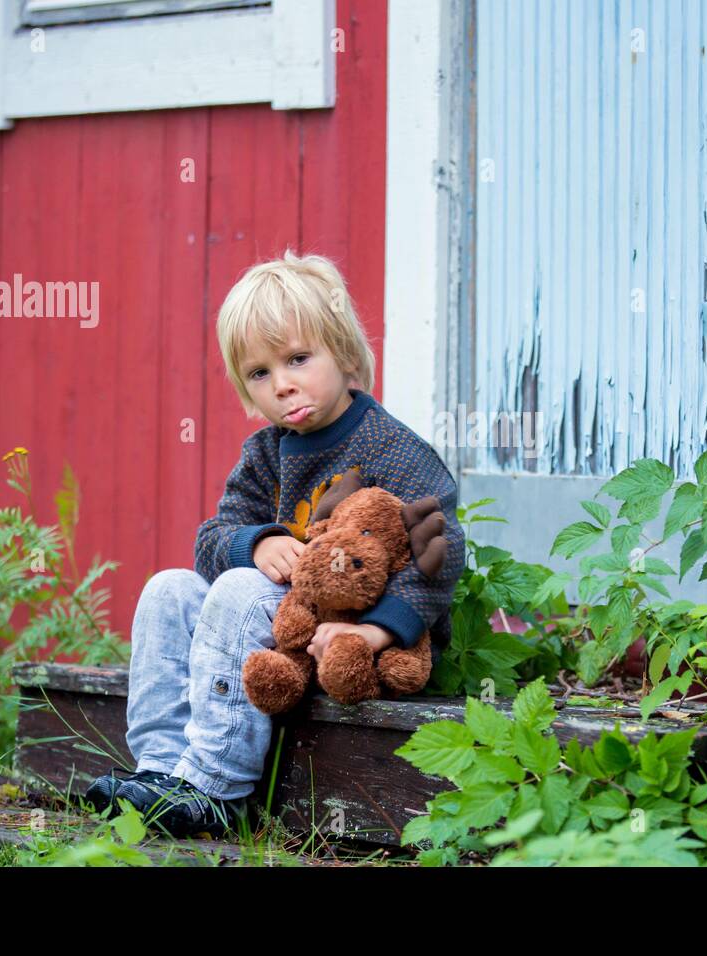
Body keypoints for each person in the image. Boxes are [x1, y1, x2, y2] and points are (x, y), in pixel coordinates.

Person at [83, 251, 466, 838]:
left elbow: (438, 555)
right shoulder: (265, 454)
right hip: (277, 630)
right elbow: (211, 538)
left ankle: (215, 787)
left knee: (238, 590)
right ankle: (160, 771)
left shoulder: (393, 451)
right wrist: (253, 543)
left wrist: (375, 631)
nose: (282, 384)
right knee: (167, 589)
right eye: (260, 373)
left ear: (340, 350)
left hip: (349, 645)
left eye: (297, 359)